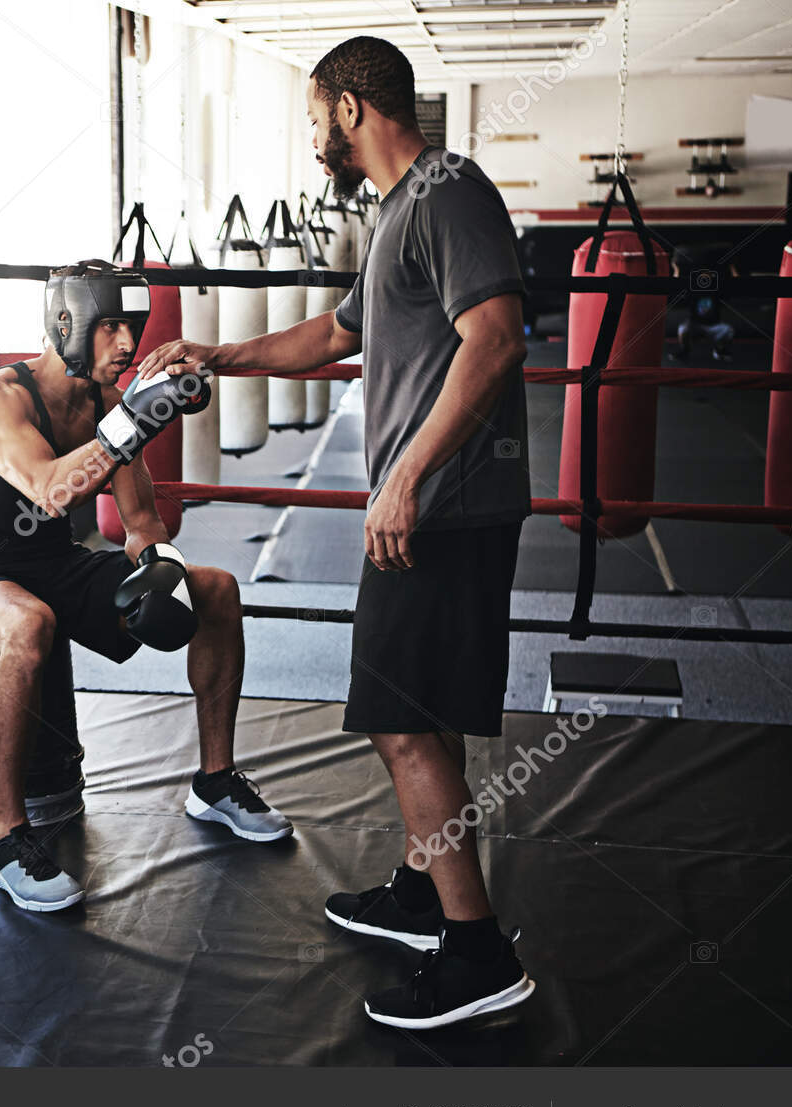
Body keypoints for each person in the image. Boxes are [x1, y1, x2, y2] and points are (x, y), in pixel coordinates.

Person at [139, 37, 535, 1028]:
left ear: (351, 107)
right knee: (422, 705)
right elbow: (333, 335)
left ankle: (477, 953)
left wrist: (403, 475)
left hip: (441, 508)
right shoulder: (400, 208)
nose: (312, 133)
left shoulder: (446, 192)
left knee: (399, 721)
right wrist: (218, 354)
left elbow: (494, 337)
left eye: (314, 114)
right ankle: (418, 893)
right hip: (428, 505)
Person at [0, 259, 293, 913]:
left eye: (133, 326)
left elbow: (140, 522)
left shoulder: (104, 404)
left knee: (214, 589)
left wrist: (161, 568)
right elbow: (50, 489)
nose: (129, 344)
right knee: (28, 622)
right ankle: (8, 840)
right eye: (111, 328)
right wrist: (138, 416)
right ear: (67, 325)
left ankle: (215, 779)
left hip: (58, 565)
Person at [671, 242, 739, 361]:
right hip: (695, 324)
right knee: (683, 329)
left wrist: (731, 266)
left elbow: (736, 285)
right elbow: (675, 286)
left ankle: (719, 351)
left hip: (714, 325)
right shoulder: (693, 290)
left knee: (728, 330)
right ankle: (685, 351)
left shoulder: (717, 289)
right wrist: (676, 268)